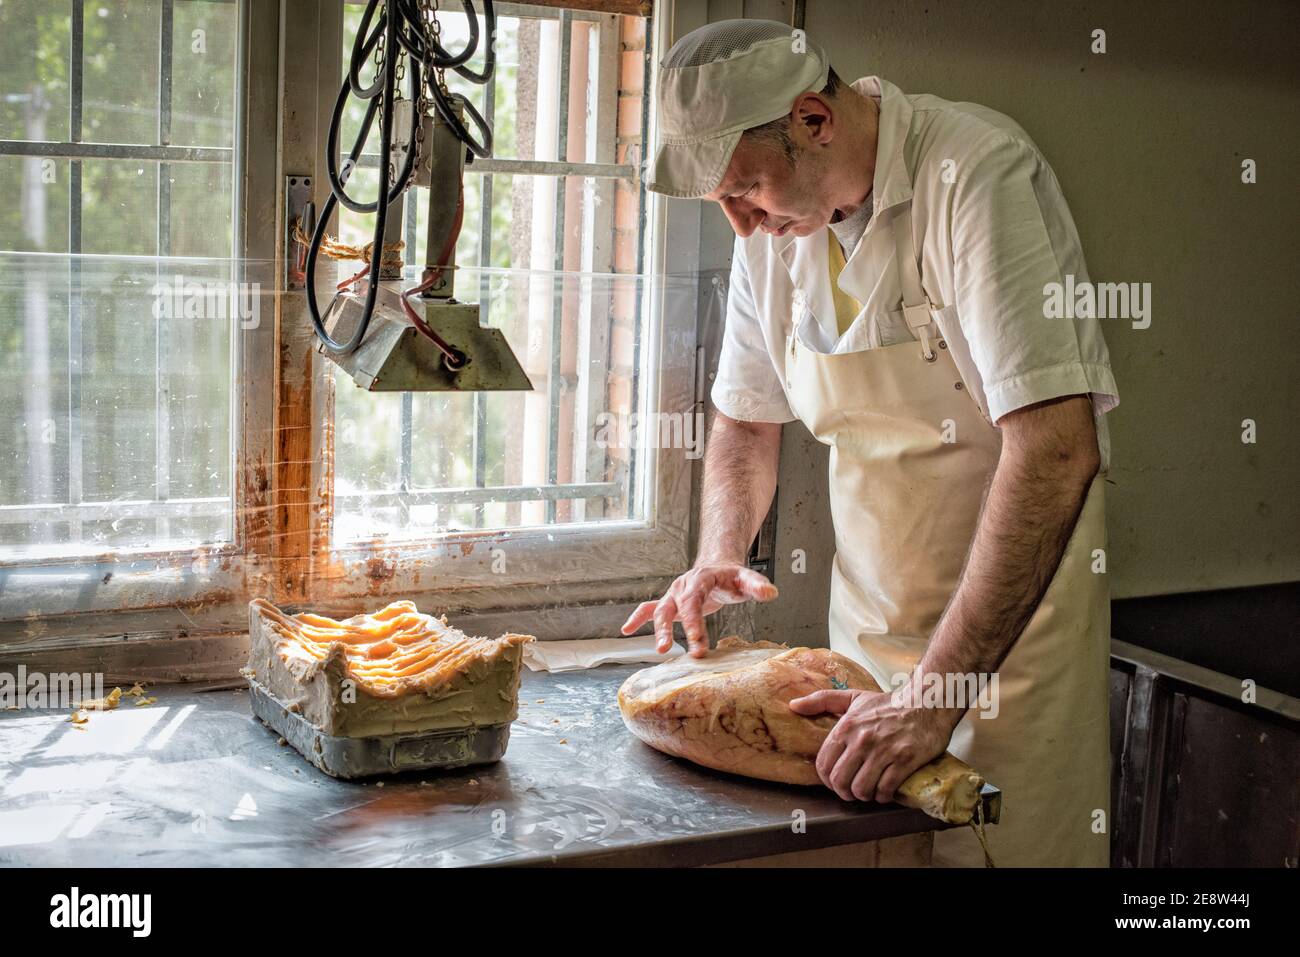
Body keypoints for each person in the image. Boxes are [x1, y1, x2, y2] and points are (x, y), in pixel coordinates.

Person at [621, 18, 1118, 867]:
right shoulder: (777, 230)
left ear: (814, 120)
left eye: (748, 190)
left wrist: (934, 696)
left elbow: (1056, 449)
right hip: (862, 653)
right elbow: (746, 415)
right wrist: (719, 551)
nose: (742, 226)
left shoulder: (978, 174)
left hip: (1009, 664)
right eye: (723, 205)